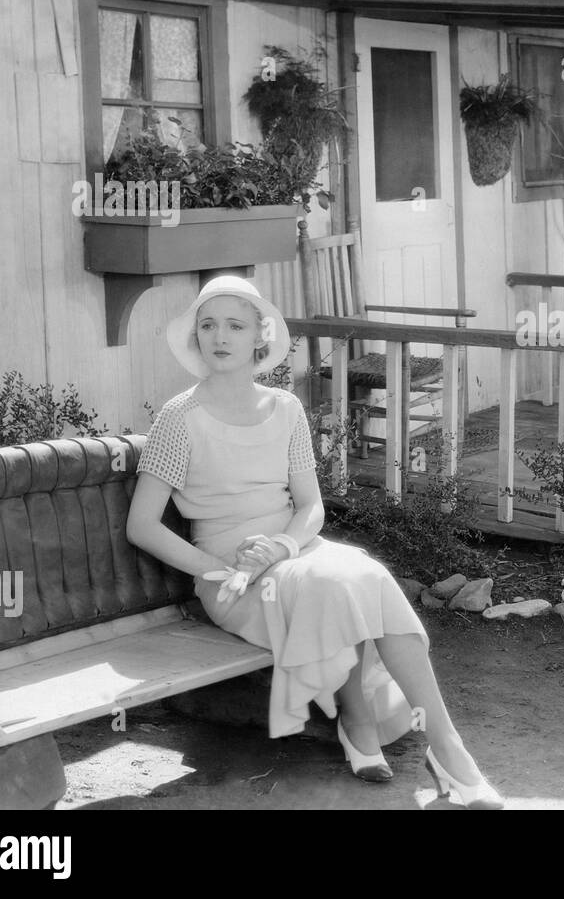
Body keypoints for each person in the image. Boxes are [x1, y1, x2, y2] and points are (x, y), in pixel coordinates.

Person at [126, 275, 503, 809]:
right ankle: (359, 720)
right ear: (196, 337)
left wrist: (281, 547)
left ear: (261, 335)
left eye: (235, 324)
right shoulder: (178, 416)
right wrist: (219, 567)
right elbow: (142, 525)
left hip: (293, 549)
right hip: (229, 576)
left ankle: (444, 745)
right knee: (333, 581)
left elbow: (311, 507)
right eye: (208, 325)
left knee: (362, 572)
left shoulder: (284, 408)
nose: (220, 336)